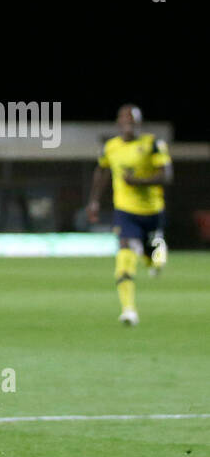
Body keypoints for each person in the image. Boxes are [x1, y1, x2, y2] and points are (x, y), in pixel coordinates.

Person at [87, 104, 172, 325]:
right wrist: (94, 201)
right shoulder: (111, 147)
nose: (128, 125)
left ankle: (156, 258)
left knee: (151, 258)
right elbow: (102, 170)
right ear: (118, 123)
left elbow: (166, 176)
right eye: (124, 120)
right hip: (125, 211)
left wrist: (138, 181)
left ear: (139, 124)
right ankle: (128, 309)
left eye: (132, 121)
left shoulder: (152, 144)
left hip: (152, 211)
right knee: (125, 256)